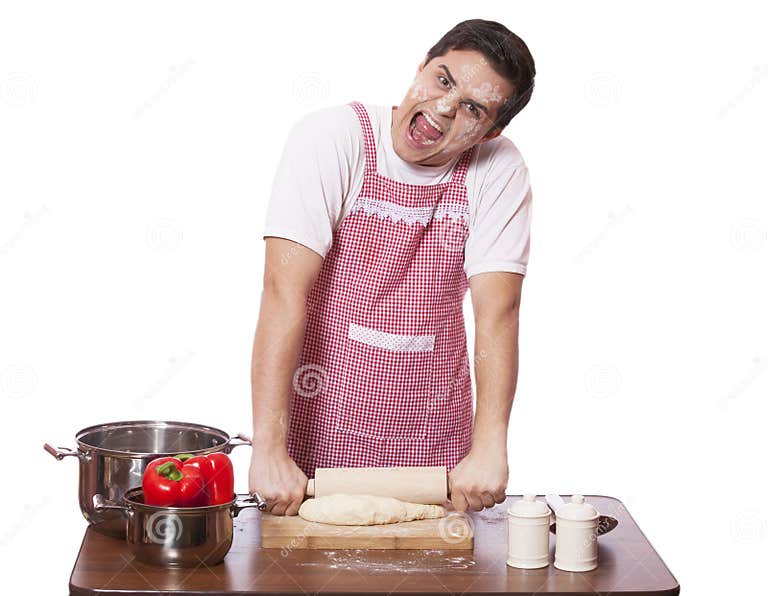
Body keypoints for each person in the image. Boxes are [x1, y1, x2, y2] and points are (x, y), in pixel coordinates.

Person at [249, 19, 536, 516]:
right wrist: (268, 446)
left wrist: (489, 446)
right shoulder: (333, 138)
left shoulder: (499, 168)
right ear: (422, 66)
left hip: (433, 445)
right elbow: (283, 291)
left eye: (472, 107)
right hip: (317, 428)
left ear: (491, 130)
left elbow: (499, 312)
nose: (444, 108)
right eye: (443, 79)